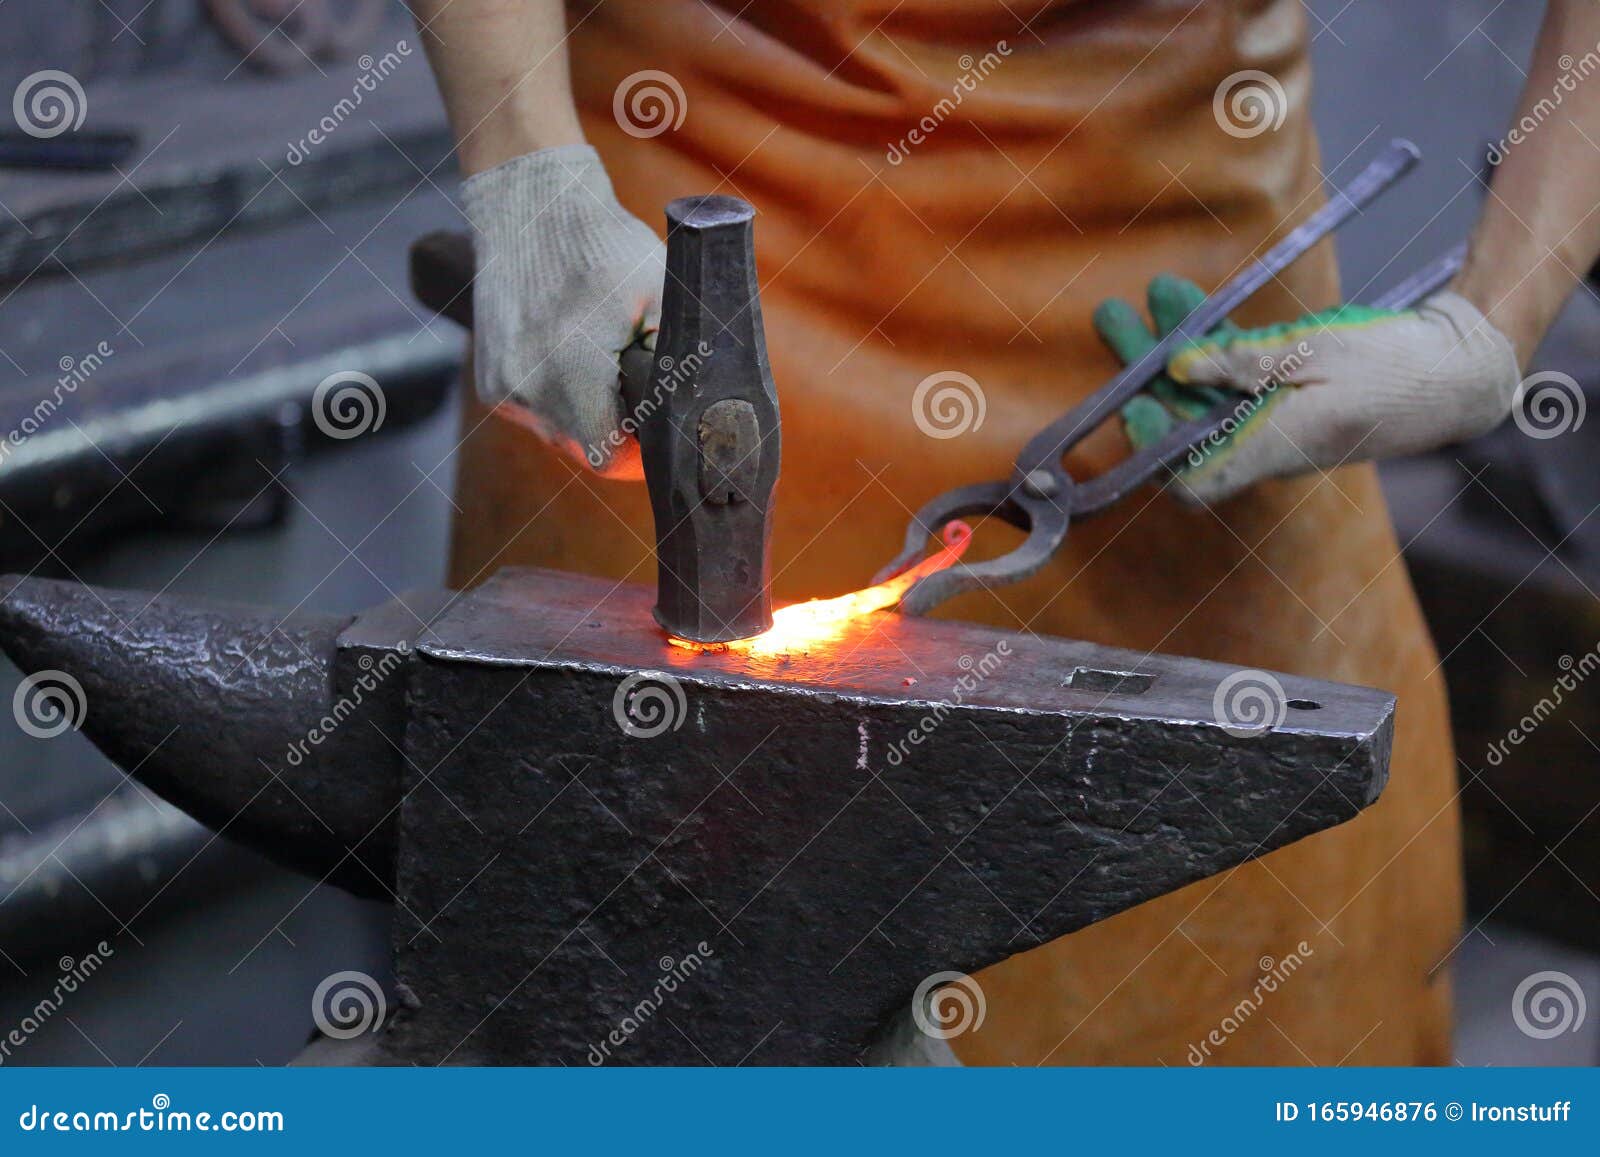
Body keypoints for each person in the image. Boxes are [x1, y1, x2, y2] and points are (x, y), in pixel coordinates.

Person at [409, 0, 1599, 1064]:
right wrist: (523, 166)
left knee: (1282, 948)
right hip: (664, 246)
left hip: (1175, 280)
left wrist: (1496, 317)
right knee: (638, 927)